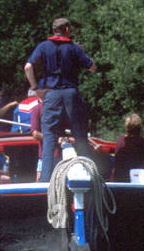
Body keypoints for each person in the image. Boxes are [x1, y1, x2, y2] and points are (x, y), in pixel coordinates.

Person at [24, 17, 97, 182]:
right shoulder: (73, 47)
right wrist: (81, 51)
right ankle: (89, 176)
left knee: (49, 137)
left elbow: (28, 67)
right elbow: (92, 67)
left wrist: (36, 89)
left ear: (53, 30)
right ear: (67, 30)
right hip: (71, 93)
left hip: (51, 94)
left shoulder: (43, 46)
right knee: (80, 135)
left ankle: (45, 180)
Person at [111, 114, 144, 182]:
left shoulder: (120, 140)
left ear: (127, 127)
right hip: (140, 182)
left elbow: (117, 158)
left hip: (120, 181)